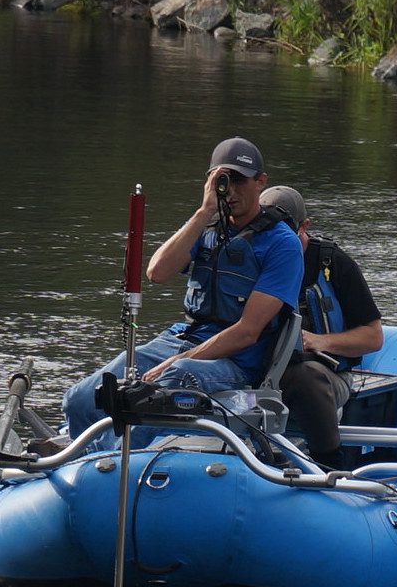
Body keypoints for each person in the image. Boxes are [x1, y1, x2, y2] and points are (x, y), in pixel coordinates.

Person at [61, 137, 303, 447]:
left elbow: (247, 332)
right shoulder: (207, 226)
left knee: (174, 382)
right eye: (223, 180)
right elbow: (157, 272)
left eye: (241, 180)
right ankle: (76, 459)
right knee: (81, 399)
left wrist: (176, 362)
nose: (233, 189)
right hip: (181, 339)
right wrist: (204, 212)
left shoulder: (282, 244)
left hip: (237, 362)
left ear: (261, 182)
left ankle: (104, 463)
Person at [257, 185, 383, 470]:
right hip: (259, 369)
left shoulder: (335, 264)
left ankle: (328, 464)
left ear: (305, 227)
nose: (276, 241)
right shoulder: (251, 256)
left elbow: (374, 337)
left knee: (306, 376)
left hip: (322, 374)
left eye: (287, 232)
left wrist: (316, 341)